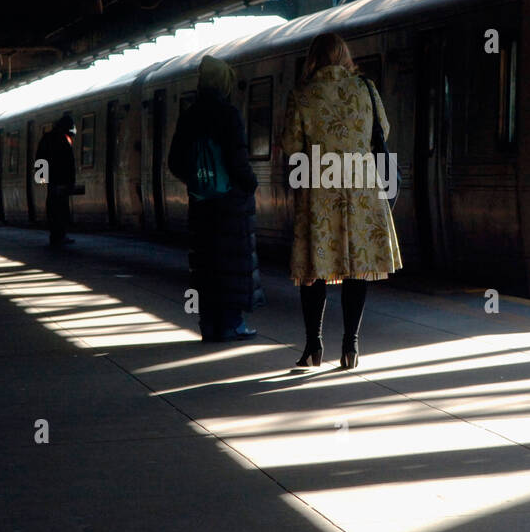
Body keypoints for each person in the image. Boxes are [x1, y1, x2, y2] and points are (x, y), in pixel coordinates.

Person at [280, 32, 402, 369]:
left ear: (314, 58)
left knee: (313, 270)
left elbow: (291, 145)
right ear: (345, 55)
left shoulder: (302, 95)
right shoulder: (365, 88)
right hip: (361, 188)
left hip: (319, 187)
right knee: (356, 267)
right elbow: (384, 130)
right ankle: (351, 348)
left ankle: (313, 347)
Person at [167, 55, 264, 341]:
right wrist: (249, 184)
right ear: (224, 82)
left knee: (205, 264)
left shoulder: (190, 114)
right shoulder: (228, 113)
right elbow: (237, 160)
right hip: (230, 203)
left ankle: (208, 324)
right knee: (232, 262)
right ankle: (232, 323)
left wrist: (199, 179)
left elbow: (175, 161)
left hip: (201, 201)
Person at [35, 112, 77, 246]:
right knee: (61, 207)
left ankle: (55, 234)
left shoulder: (47, 138)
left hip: (52, 179)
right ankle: (60, 234)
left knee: (53, 207)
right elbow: (69, 162)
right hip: (61, 178)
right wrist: (71, 180)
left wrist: (41, 177)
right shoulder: (64, 140)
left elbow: (40, 158)